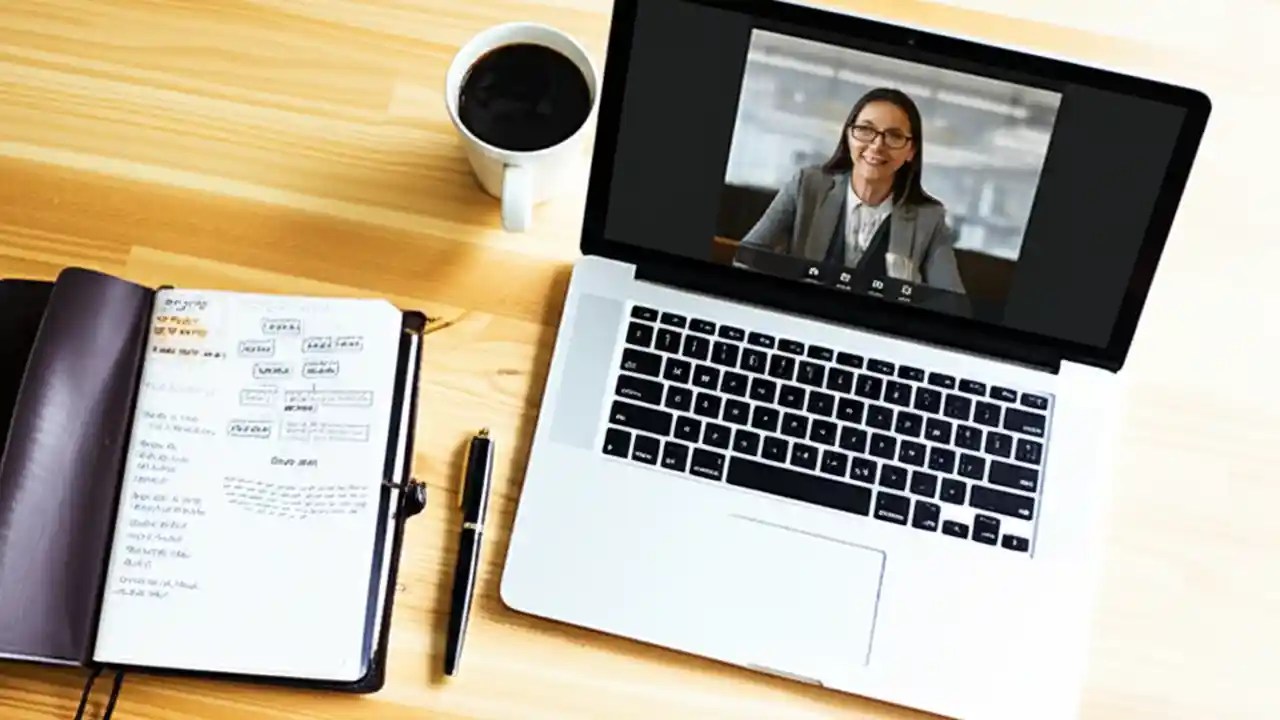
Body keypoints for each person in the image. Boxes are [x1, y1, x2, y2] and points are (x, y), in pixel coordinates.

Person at [735, 88, 967, 297]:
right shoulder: (807, 185)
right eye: (866, 130)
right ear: (849, 136)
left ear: (911, 151)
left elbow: (952, 302)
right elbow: (748, 256)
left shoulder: (929, 217)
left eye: (894, 136)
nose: (877, 145)